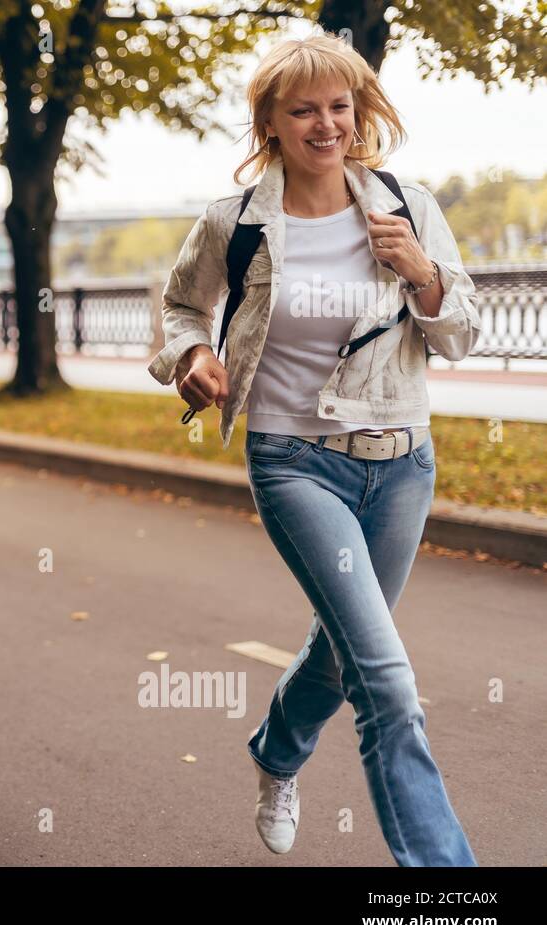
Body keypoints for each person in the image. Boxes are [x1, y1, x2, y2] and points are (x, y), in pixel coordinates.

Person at [149, 32, 480, 866]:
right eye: (304, 110)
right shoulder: (236, 224)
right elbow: (182, 309)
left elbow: (461, 334)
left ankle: (276, 753)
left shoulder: (407, 205)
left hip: (402, 460)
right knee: (389, 683)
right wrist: (193, 357)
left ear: (359, 113)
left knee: (340, 658)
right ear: (271, 123)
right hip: (295, 460)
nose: (325, 124)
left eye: (339, 106)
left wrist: (423, 274)